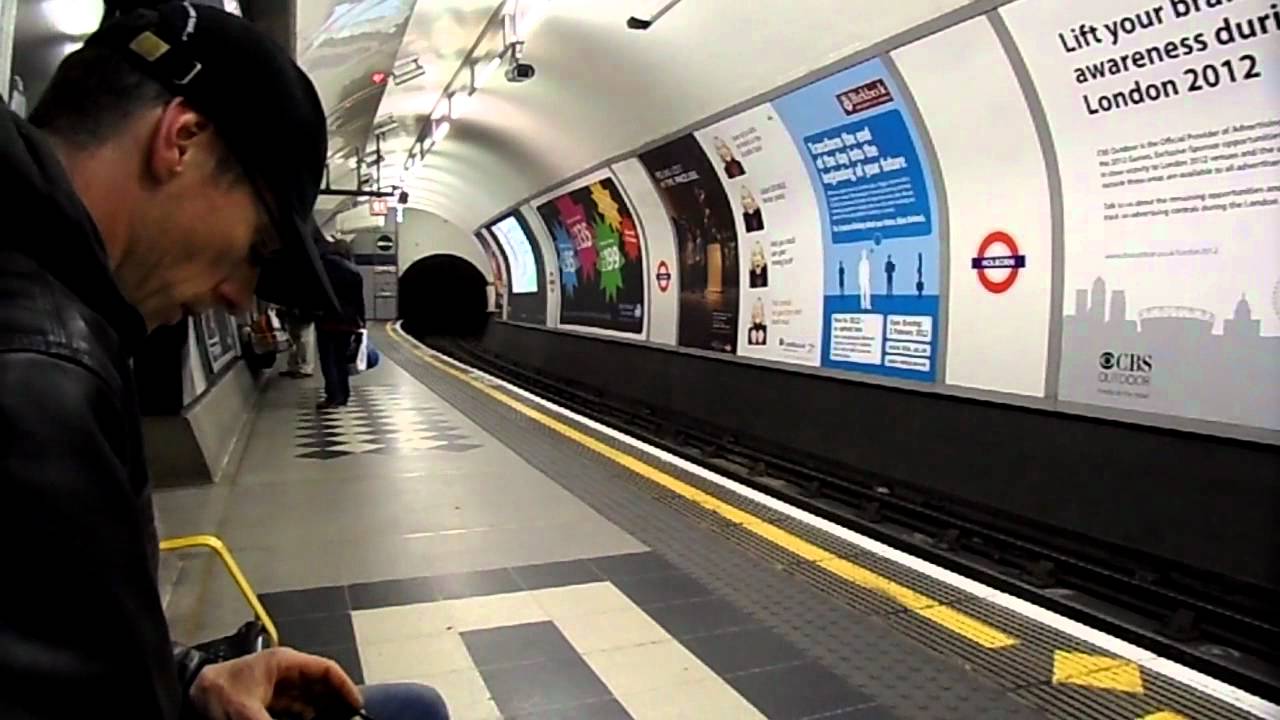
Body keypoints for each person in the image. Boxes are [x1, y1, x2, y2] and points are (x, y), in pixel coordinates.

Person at [0, 4, 446, 719]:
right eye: (257, 248)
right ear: (182, 139)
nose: (241, 297)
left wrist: (192, 681)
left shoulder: (55, 306)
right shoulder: (40, 373)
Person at [316, 239, 365, 409]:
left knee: (328, 360)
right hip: (348, 322)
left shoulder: (321, 268)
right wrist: (362, 322)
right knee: (341, 360)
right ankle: (343, 396)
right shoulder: (354, 271)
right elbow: (359, 301)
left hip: (326, 320)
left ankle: (332, 396)